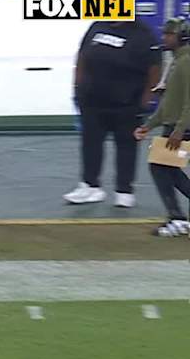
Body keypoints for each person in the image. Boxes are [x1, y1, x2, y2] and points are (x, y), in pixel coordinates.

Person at [64, 18, 162, 208]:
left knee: (126, 147)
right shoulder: (97, 26)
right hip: (92, 101)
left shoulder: (143, 34)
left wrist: (147, 99)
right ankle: (90, 186)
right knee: (90, 144)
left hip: (126, 104)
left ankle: (124, 191)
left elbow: (154, 68)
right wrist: (77, 88)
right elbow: (82, 56)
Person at [135, 19, 190, 237]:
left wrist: (179, 130)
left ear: (182, 37)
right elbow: (169, 102)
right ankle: (177, 218)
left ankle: (176, 219)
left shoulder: (186, 62)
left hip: (181, 129)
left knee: (159, 167)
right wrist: (149, 126)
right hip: (175, 126)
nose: (164, 37)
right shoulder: (177, 61)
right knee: (168, 170)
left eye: (169, 34)